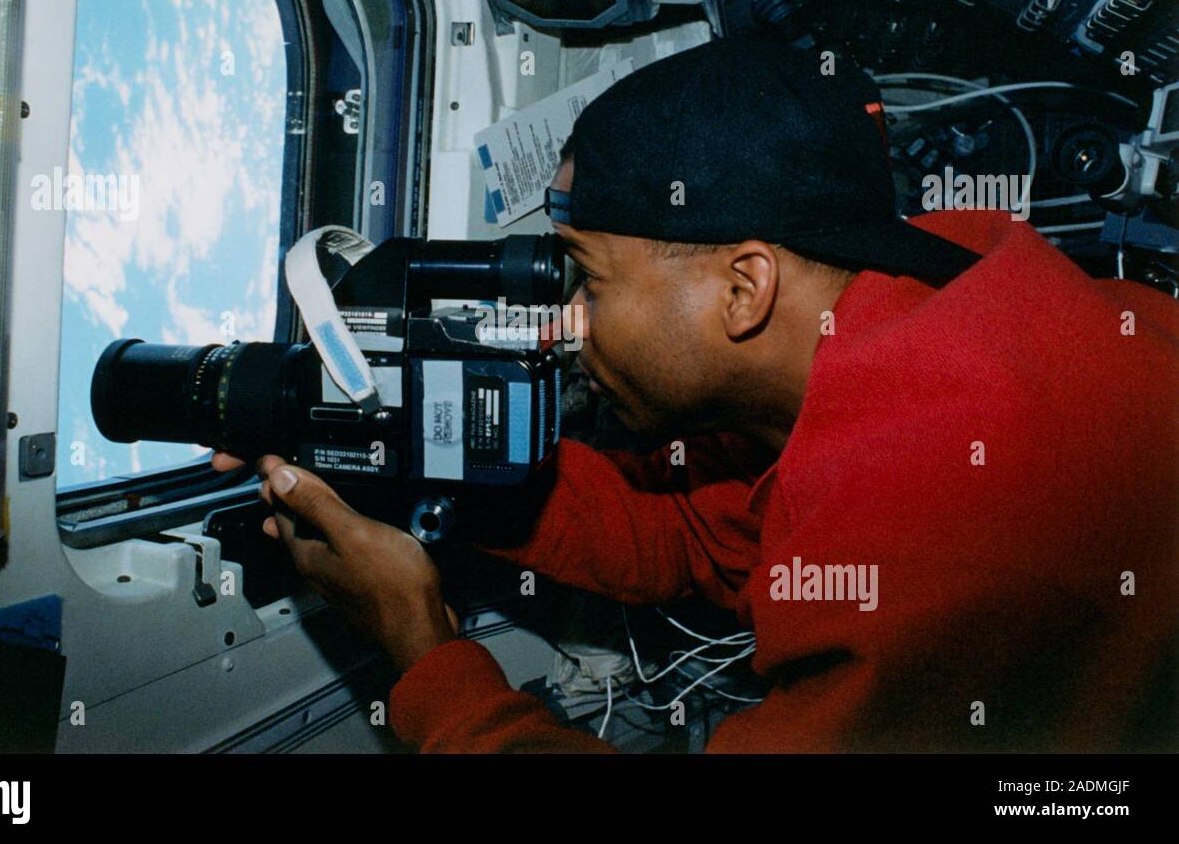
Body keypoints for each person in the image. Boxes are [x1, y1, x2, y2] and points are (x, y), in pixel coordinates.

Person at [216, 37, 1178, 753]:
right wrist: (400, 459)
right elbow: (699, 534)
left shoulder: (933, 524)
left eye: (588, 282)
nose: (566, 325)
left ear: (744, 287)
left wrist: (424, 651)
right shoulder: (913, 288)